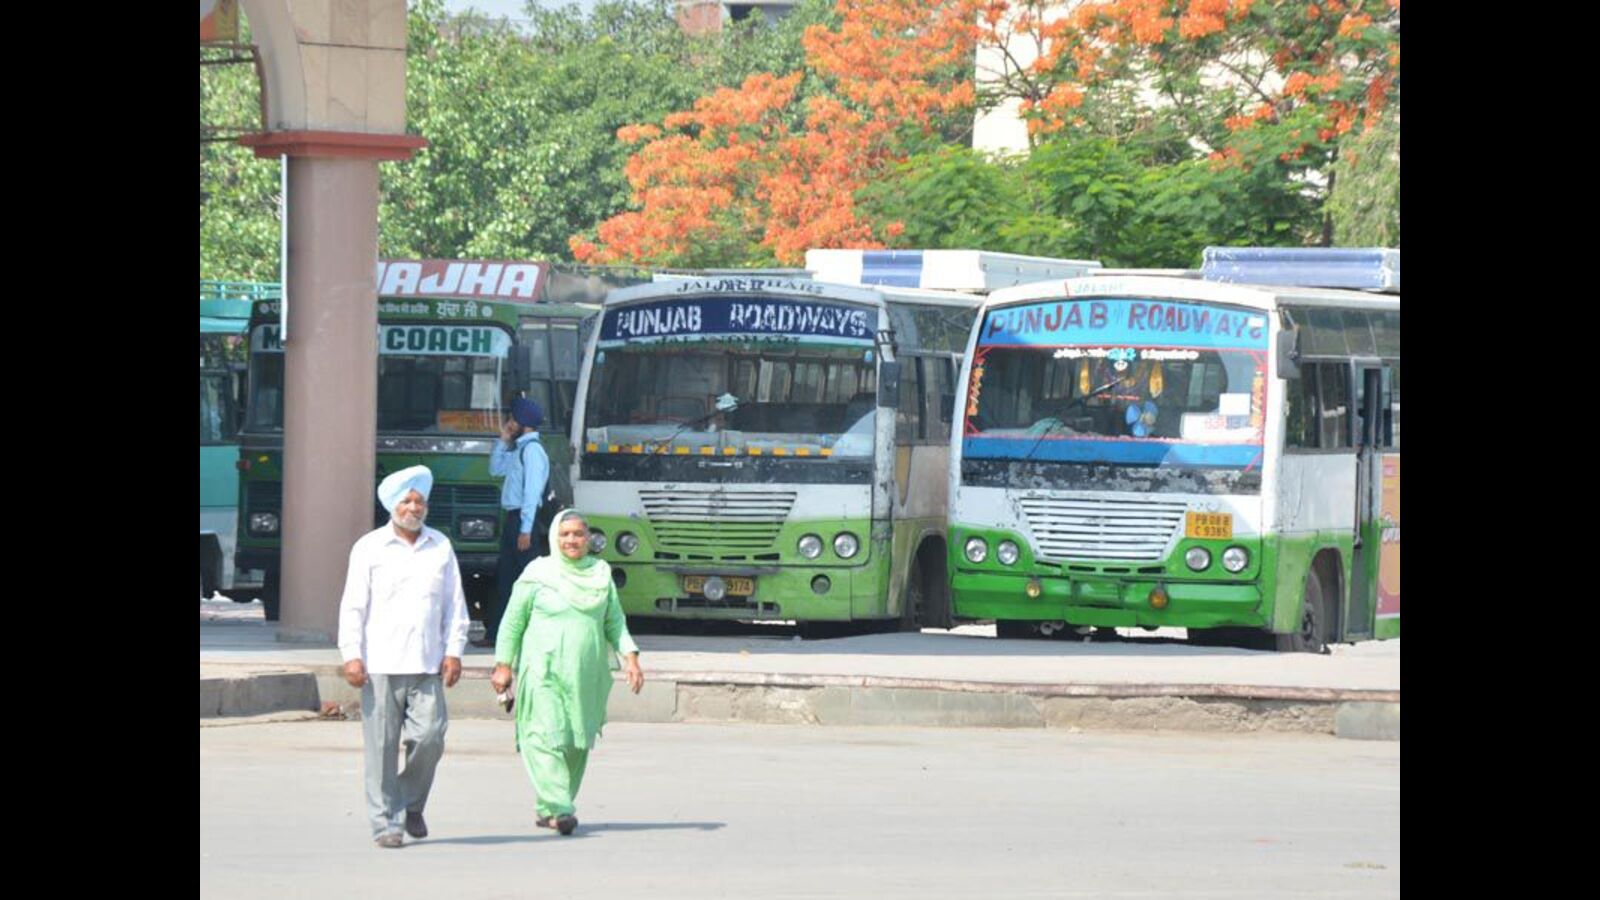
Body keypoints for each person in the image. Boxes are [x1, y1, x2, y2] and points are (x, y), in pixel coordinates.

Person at [337, 465, 470, 849]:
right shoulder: (369, 548)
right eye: (407, 501)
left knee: (431, 737)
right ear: (392, 506)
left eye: (419, 501)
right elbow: (353, 607)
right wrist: (351, 655)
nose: (414, 508)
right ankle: (386, 824)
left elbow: (454, 604)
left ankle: (411, 803)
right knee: (381, 748)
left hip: (427, 662)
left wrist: (454, 651)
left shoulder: (440, 546)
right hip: (379, 663)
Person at [490, 510, 644, 836]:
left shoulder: (600, 574)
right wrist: (503, 664)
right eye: (565, 535)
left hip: (586, 674)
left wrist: (630, 658)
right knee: (544, 737)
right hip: (542, 670)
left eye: (578, 534)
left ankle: (548, 807)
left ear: (588, 539)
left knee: (576, 741)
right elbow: (513, 622)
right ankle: (561, 807)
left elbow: (614, 621)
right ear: (554, 539)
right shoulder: (538, 573)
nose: (571, 540)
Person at [480, 397, 551, 647]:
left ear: (524, 424)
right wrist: (503, 440)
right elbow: (495, 469)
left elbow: (532, 494)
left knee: (527, 580)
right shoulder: (519, 449)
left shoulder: (533, 452)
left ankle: (534, 635)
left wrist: (525, 529)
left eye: (512, 419)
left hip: (523, 520)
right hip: (513, 518)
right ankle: (496, 634)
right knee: (505, 578)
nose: (508, 423)